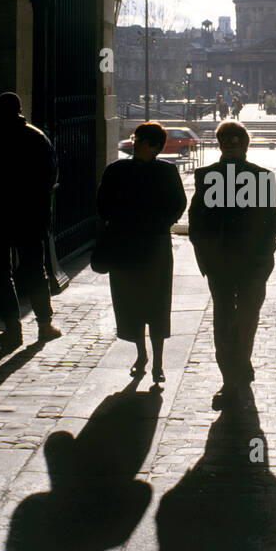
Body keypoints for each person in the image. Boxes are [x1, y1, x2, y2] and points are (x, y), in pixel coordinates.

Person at [188, 121, 276, 407]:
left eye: (233, 138)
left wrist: (205, 254)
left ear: (243, 142)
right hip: (246, 262)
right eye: (226, 138)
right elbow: (272, 222)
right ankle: (233, 376)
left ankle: (236, 369)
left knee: (226, 319)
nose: (230, 143)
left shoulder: (207, 176)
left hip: (228, 261)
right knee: (243, 318)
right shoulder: (262, 176)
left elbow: (196, 222)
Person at [96, 121, 187, 384]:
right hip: (126, 245)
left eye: (144, 141)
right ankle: (141, 354)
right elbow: (102, 205)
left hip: (153, 245)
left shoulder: (166, 172)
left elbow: (178, 204)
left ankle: (158, 360)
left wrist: (155, 223)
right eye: (137, 139)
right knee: (129, 304)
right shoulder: (116, 169)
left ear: (156, 146)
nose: (137, 144)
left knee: (157, 304)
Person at [0, 91, 61, 350]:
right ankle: (45, 324)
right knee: (35, 269)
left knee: (1, 273)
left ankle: (12, 328)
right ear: (20, 109)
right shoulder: (37, 137)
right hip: (31, 214)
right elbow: (50, 177)